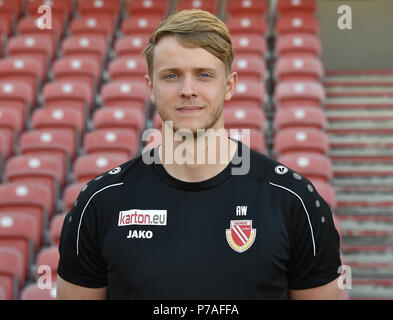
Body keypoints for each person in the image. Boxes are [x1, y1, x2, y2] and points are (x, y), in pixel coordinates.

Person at [56, 9, 346, 300]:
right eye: (171, 76)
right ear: (150, 88)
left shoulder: (294, 199)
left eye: (204, 75)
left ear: (229, 86)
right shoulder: (100, 201)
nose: (187, 90)